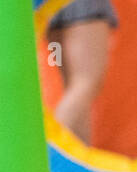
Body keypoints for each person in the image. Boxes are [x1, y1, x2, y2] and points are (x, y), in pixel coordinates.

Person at [46, 0, 118, 146]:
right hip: (83, 7)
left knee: (75, 90)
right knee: (85, 83)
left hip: (50, 8)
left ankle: (78, 156)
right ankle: (46, 147)